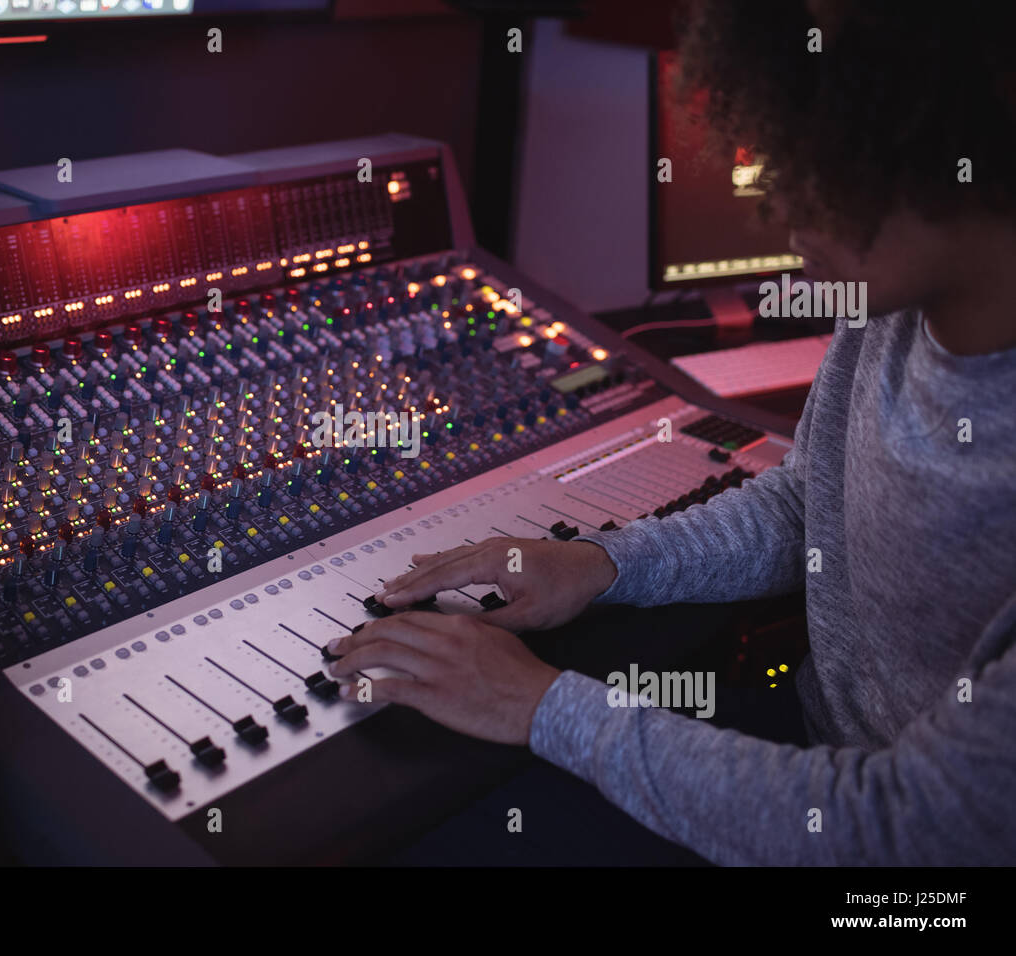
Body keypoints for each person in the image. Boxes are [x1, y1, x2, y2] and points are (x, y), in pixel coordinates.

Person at [324, 0, 1016, 864]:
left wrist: (539, 706)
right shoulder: (889, 305)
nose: (784, 211)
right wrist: (607, 564)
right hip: (810, 744)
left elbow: (906, 835)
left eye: (819, 161)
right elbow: (812, 504)